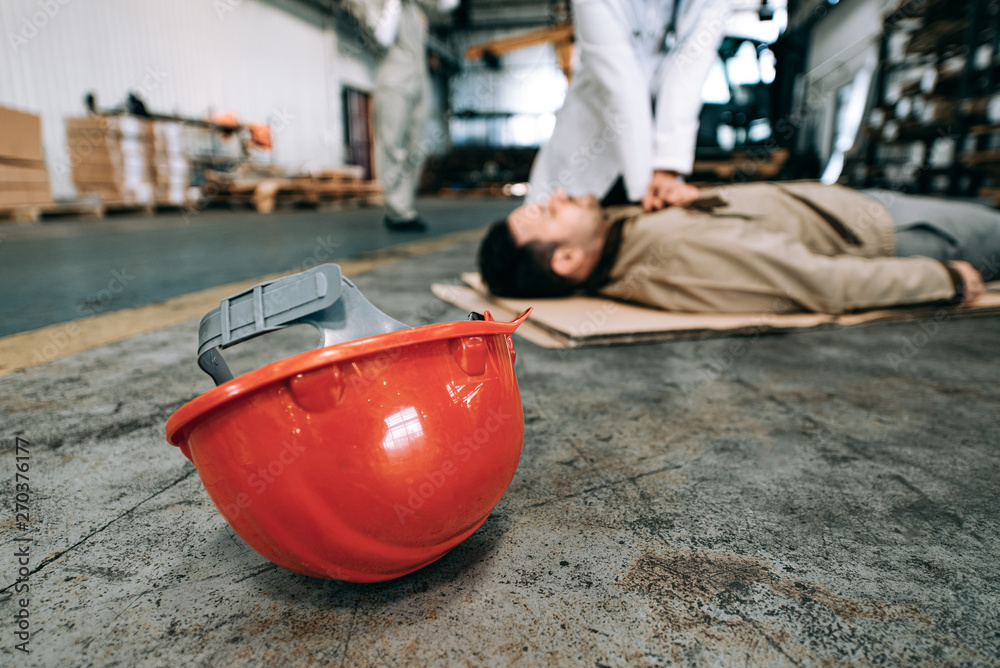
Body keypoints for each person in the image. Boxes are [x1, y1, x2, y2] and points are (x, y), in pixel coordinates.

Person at [477, 182, 998, 315]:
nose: (559, 196)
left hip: (859, 210)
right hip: (899, 236)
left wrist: (697, 199)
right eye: (548, 212)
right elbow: (820, 282)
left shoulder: (626, 236)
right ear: (566, 260)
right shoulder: (671, 250)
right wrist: (941, 280)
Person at [528, 0, 732, 213]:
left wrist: (666, 167)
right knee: (558, 232)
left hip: (655, 144)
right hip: (592, 143)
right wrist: (646, 186)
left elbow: (692, 58)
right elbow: (622, 85)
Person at [365, 0, 458, 231]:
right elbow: (383, 37)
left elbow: (449, 4)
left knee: (417, 147)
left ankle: (405, 205)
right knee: (394, 146)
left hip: (419, 79)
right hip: (394, 79)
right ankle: (397, 210)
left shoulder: (416, 7)